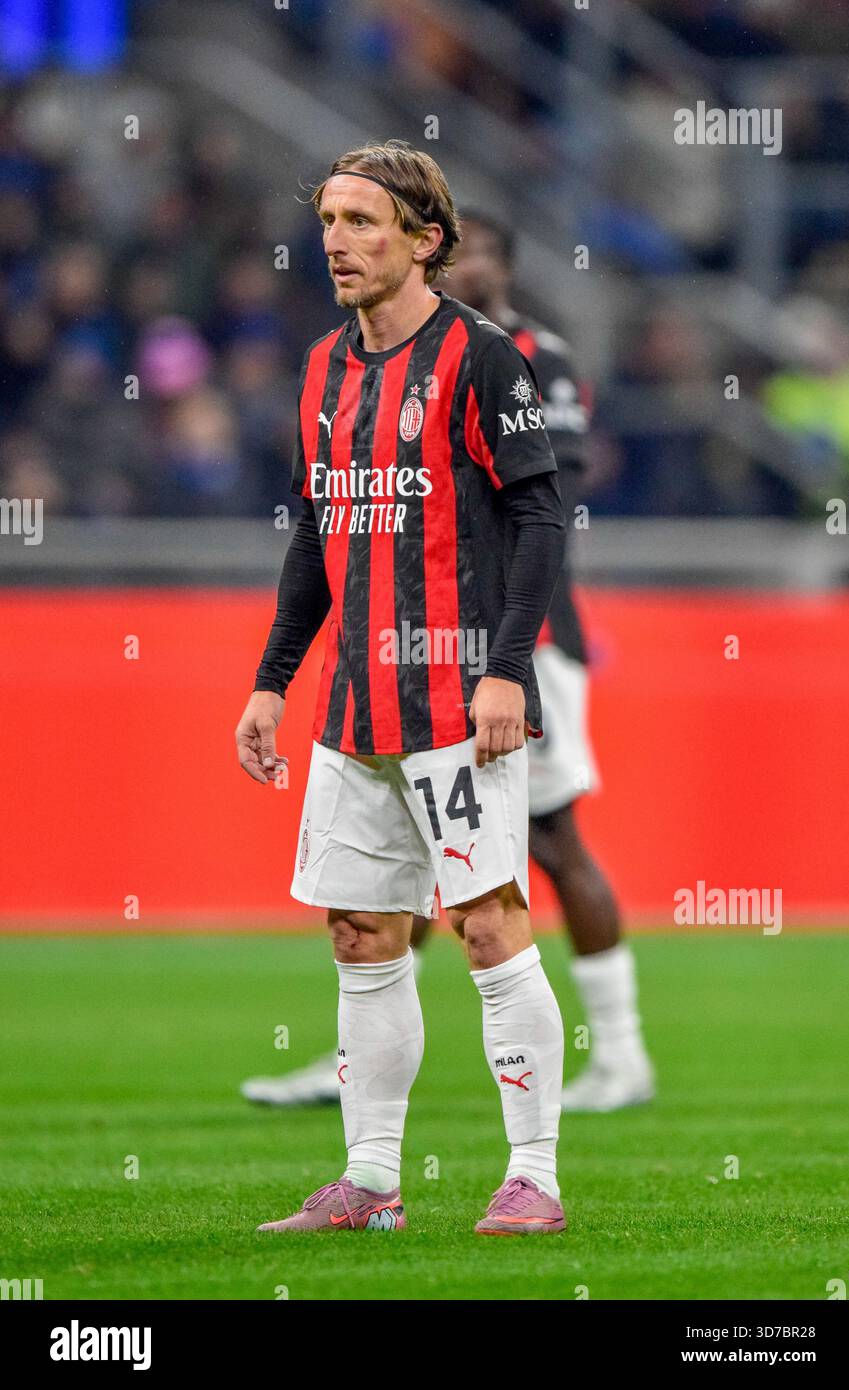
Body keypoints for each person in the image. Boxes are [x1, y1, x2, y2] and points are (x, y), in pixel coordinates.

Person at [243, 211, 655, 1115]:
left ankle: (621, 1055)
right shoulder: (362, 363)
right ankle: (360, 1058)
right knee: (414, 863)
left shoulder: (526, 358)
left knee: (548, 842)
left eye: (483, 257)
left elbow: (545, 497)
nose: (466, 272)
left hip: (521, 644)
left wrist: (505, 648)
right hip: (412, 659)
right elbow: (326, 518)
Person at [235, 140, 568, 1235]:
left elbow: (537, 517)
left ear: (425, 240)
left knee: (486, 925)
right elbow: (314, 533)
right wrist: (272, 682)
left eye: (362, 222)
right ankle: (371, 1182)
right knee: (361, 935)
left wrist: (506, 669)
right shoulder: (321, 369)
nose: (336, 242)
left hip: (456, 702)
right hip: (353, 708)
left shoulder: (481, 358)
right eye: (329, 220)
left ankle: (533, 1178)